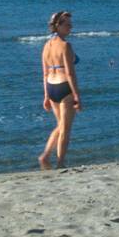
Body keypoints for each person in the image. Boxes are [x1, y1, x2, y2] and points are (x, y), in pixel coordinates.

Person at [38, 10, 81, 169]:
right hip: (64, 87)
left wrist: (46, 95)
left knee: (61, 125)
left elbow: (44, 73)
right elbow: (70, 73)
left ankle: (45, 156)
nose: (71, 27)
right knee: (65, 129)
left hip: (51, 87)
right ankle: (60, 163)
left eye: (71, 24)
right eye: (68, 25)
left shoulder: (46, 46)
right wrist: (77, 96)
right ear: (58, 26)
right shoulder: (65, 45)